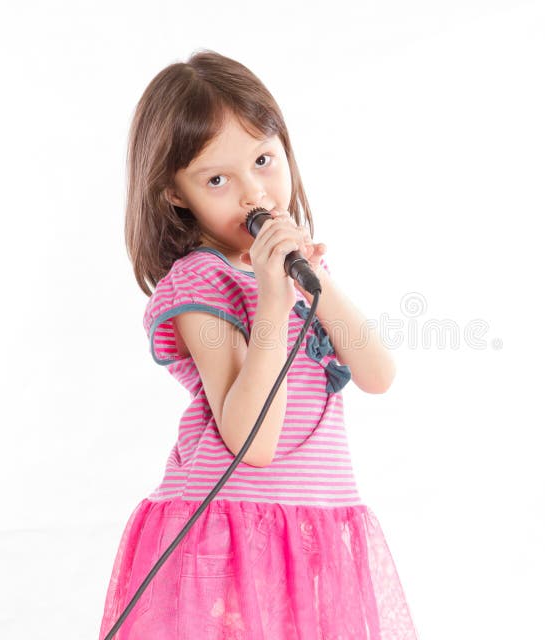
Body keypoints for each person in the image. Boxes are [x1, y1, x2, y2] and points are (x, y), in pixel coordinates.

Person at [98, 49, 419, 639]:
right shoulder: (201, 281)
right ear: (174, 194)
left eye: (265, 160)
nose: (255, 193)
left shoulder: (290, 275)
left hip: (314, 525)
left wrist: (309, 283)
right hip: (231, 532)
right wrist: (273, 302)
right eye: (217, 179)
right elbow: (254, 442)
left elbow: (378, 373)